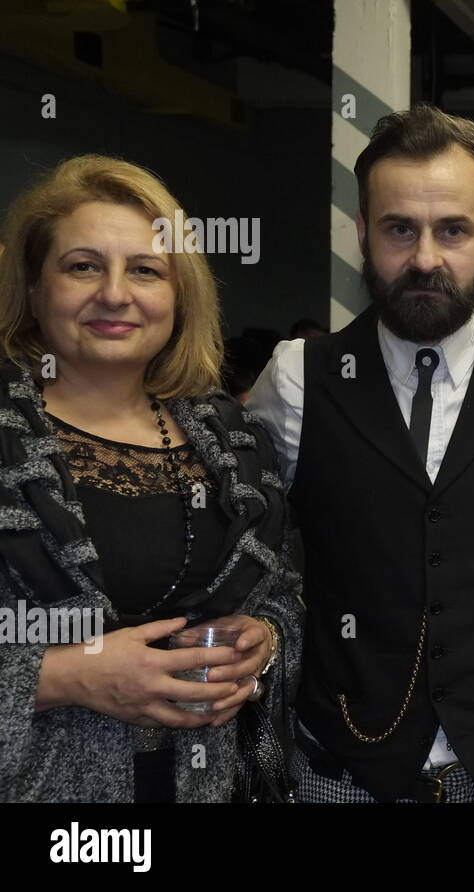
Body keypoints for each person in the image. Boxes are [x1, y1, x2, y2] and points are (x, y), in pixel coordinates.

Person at [247, 104, 474, 803]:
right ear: (363, 235)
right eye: (400, 229)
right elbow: (251, 550)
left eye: (453, 230)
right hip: (340, 763)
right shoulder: (297, 378)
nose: (425, 258)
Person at [0, 155, 301, 802]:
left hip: (213, 785)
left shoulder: (233, 443)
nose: (115, 293)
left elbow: (285, 596)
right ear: (33, 288)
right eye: (82, 266)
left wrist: (266, 641)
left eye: (145, 270)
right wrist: (65, 676)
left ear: (178, 294)